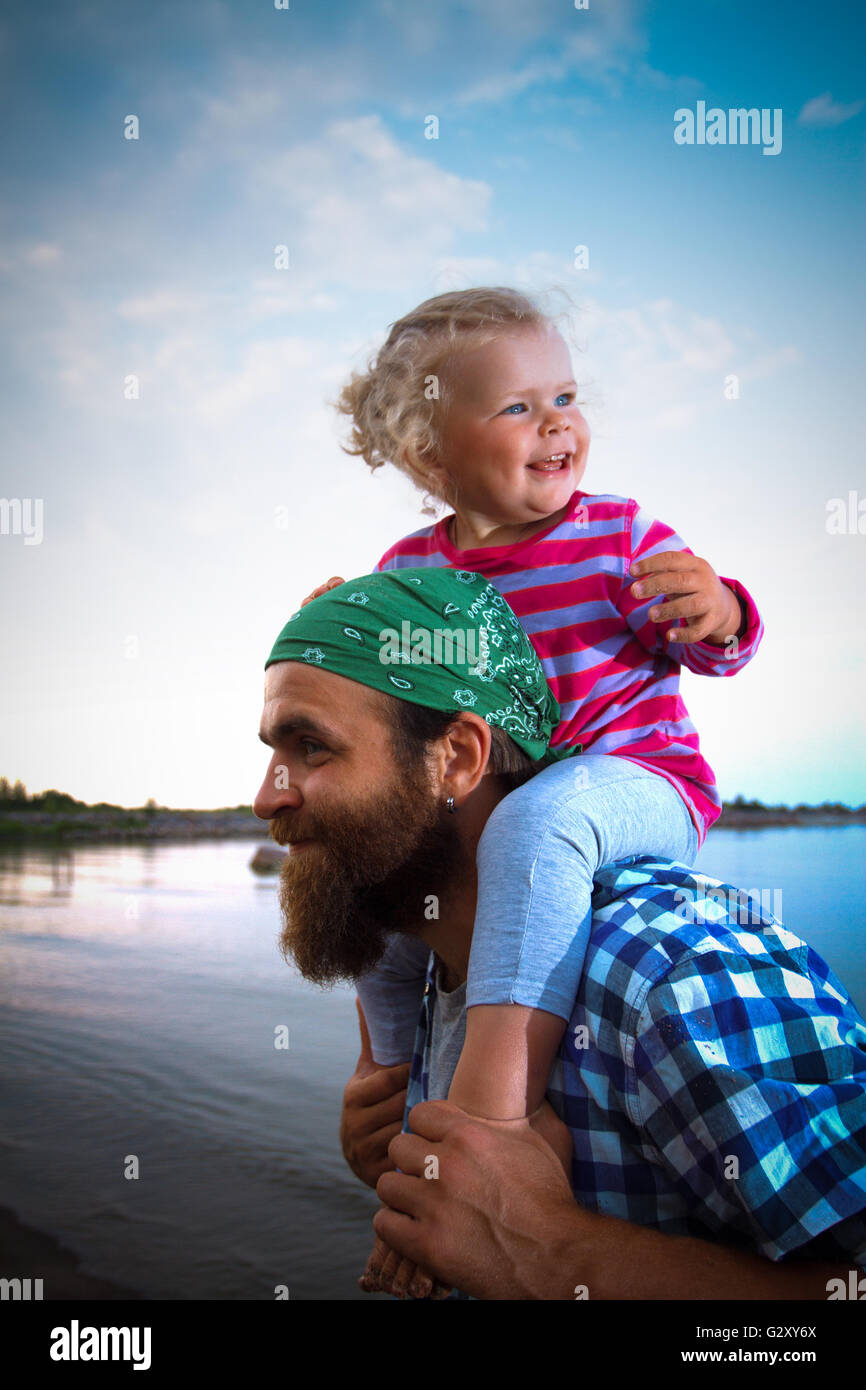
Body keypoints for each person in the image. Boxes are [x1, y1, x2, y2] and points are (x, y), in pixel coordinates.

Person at [303, 285, 765, 1291]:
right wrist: (337, 627)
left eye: (563, 394)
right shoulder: (413, 570)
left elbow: (715, 648)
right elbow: (378, 705)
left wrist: (719, 608)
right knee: (377, 872)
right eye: (517, 406)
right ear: (433, 455)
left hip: (637, 784)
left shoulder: (617, 535)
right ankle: (393, 1085)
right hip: (509, 821)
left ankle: (489, 1115)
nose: (555, 420)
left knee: (533, 821)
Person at [255, 567, 866, 1300]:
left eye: (311, 747)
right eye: (273, 750)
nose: (266, 798)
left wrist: (557, 1255)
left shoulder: (668, 975)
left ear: (457, 757)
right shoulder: (437, 969)